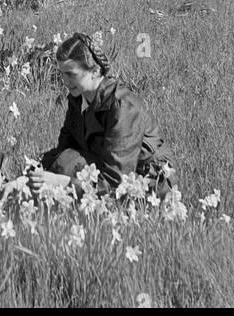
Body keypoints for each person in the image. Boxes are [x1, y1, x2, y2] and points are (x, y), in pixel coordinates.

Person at [28, 32, 174, 200]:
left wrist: (60, 182)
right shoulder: (77, 100)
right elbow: (62, 152)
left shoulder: (123, 107)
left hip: (151, 182)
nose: (65, 81)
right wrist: (27, 179)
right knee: (64, 160)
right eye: (62, 73)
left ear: (95, 71)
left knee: (66, 166)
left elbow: (118, 181)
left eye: (71, 74)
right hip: (110, 172)